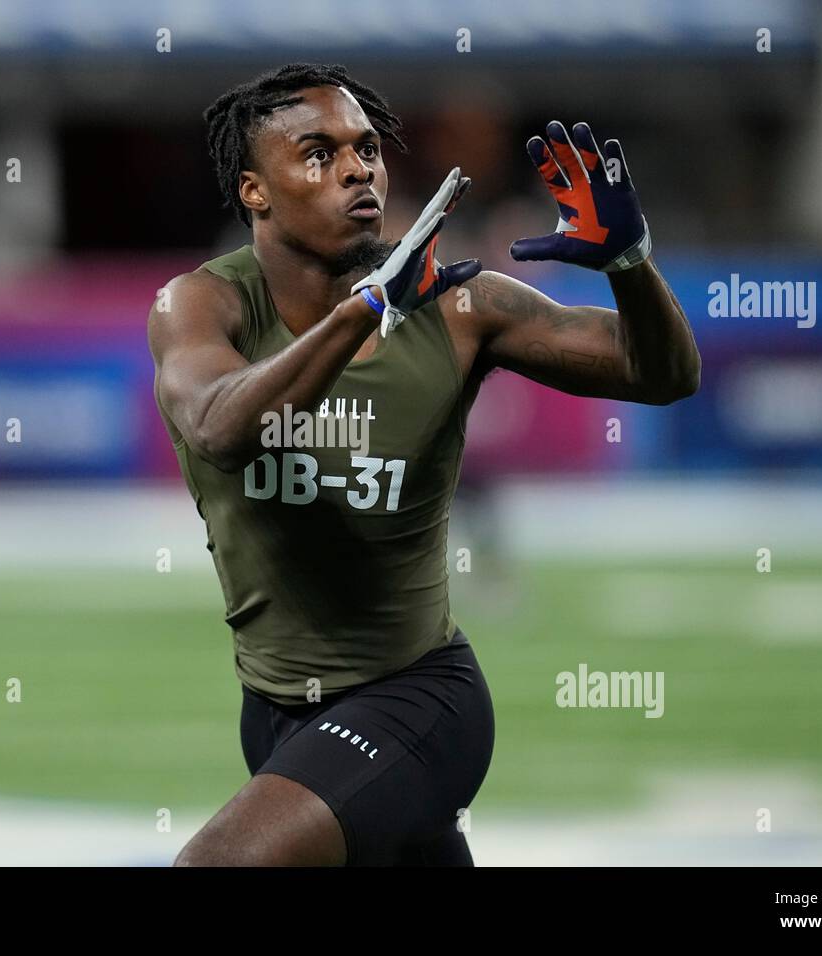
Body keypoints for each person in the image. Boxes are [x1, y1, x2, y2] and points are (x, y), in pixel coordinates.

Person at [148, 62, 700, 866]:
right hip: (273, 708)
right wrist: (365, 309)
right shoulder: (202, 303)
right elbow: (221, 426)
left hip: (415, 698)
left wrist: (631, 265)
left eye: (366, 149)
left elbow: (663, 374)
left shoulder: (460, 306)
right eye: (317, 152)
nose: (356, 169)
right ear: (254, 190)